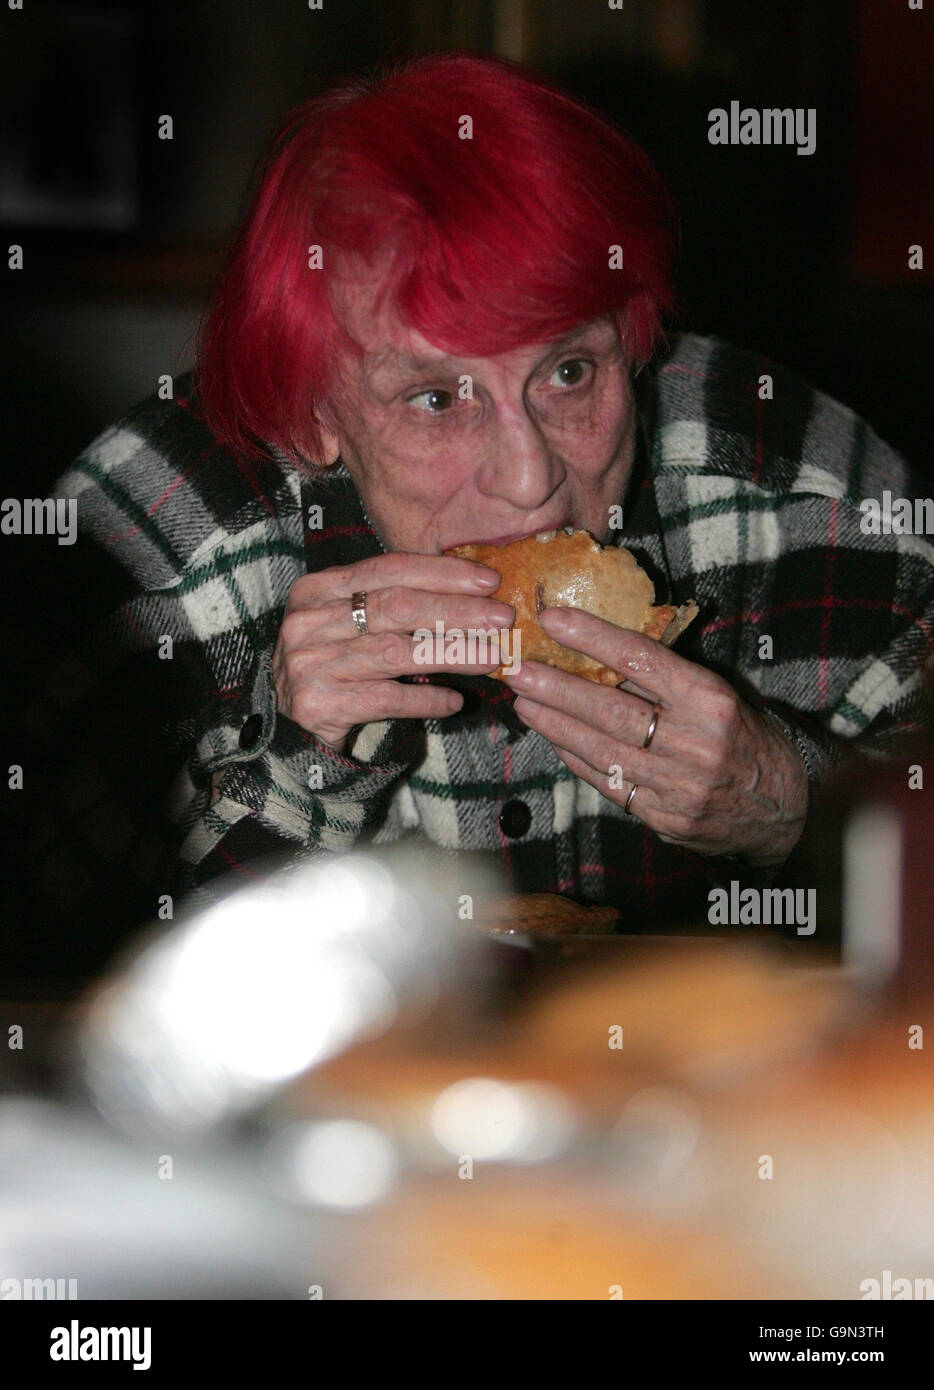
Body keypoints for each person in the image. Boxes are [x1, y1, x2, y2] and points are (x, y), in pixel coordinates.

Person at [12, 53, 934, 974]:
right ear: (313, 413)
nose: (531, 478)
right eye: (436, 399)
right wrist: (295, 778)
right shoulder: (134, 555)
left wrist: (793, 802)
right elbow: (58, 1003)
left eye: (571, 372)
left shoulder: (811, 493)